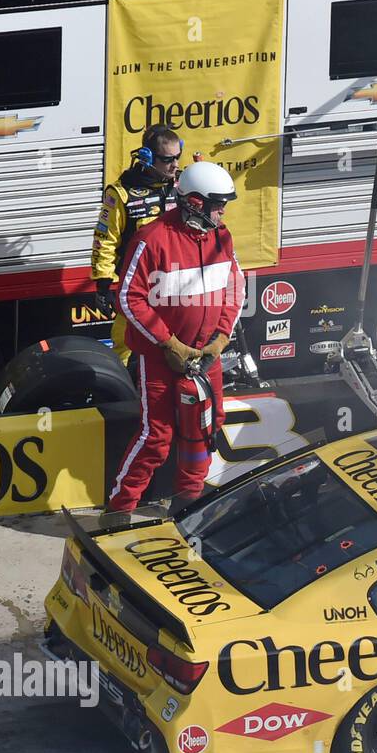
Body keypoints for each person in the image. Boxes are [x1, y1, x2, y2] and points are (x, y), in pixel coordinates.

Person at [103, 162, 245, 524]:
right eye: (218, 204)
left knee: (205, 426)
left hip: (206, 357)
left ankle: (188, 502)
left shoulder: (221, 236)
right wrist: (169, 344)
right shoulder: (150, 239)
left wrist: (222, 335)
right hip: (160, 360)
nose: (223, 210)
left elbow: (235, 287)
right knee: (157, 437)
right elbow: (128, 298)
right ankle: (118, 512)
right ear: (195, 202)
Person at [91, 125, 183, 368]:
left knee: (178, 340)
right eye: (167, 160)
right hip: (136, 286)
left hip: (178, 283)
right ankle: (116, 391)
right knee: (122, 343)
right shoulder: (121, 194)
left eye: (177, 157)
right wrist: (104, 282)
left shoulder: (183, 185)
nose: (174, 165)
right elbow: (105, 239)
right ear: (147, 157)